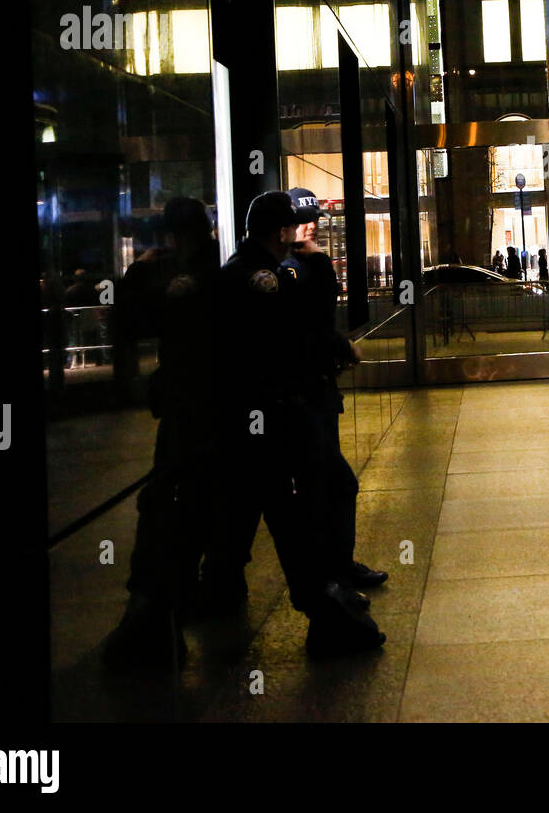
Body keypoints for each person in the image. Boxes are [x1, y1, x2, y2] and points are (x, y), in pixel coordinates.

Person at [206, 190, 385, 657]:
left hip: (250, 415)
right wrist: (334, 350)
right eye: (292, 227)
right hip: (274, 412)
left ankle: (229, 589)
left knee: (254, 505)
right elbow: (294, 332)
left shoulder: (240, 271)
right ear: (281, 231)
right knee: (295, 511)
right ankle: (324, 604)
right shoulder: (265, 278)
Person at [102, 198, 221, 670]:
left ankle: (159, 600)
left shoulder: (176, 273)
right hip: (216, 405)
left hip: (190, 407)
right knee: (201, 500)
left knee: (167, 502)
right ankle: (206, 586)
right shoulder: (217, 266)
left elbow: (130, 322)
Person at [283, 188, 389, 603]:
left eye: (314, 219)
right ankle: (328, 579)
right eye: (300, 220)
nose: (309, 226)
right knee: (328, 485)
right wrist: (342, 349)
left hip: (310, 392)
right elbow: (311, 320)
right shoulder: (292, 269)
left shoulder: (292, 266)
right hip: (300, 396)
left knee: (323, 485)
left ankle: (331, 573)